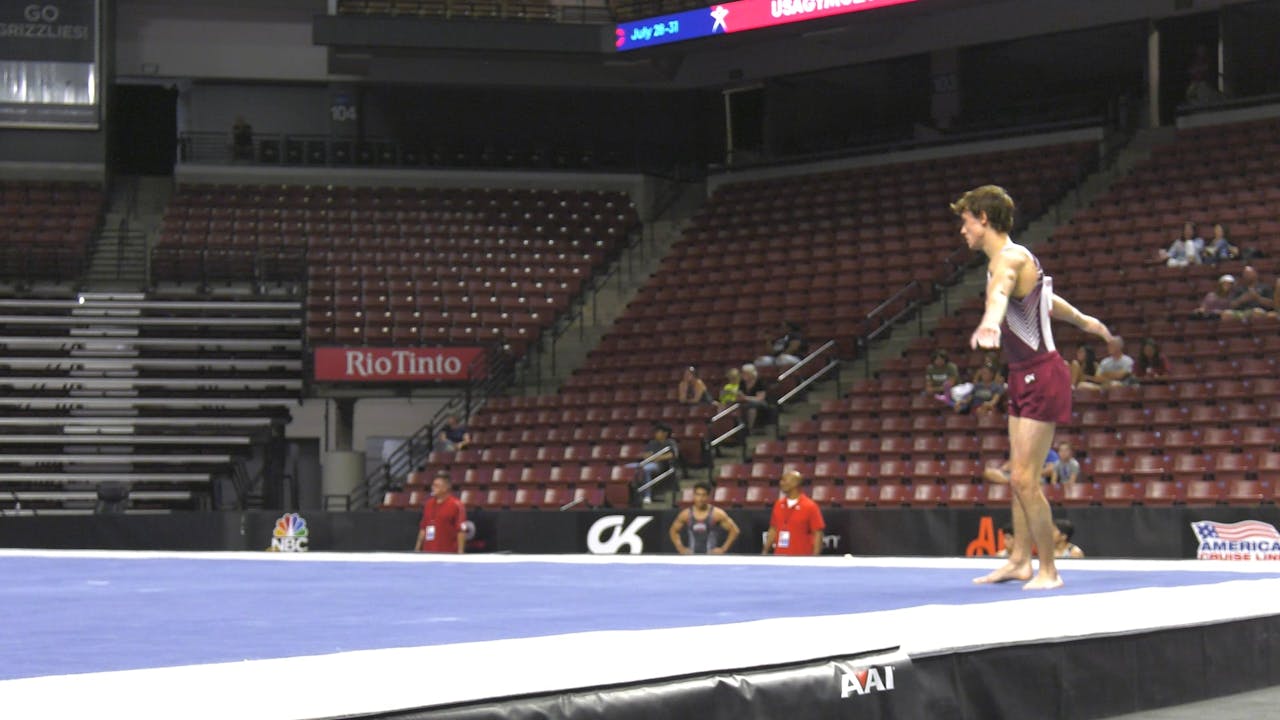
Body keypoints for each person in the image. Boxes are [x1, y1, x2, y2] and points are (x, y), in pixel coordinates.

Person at [954, 184, 1111, 590]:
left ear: (983, 219)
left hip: (1042, 374)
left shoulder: (1010, 258)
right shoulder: (1012, 261)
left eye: (966, 220)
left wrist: (991, 319)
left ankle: (1049, 571)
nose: (963, 230)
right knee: (1018, 473)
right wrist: (1085, 321)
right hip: (1023, 373)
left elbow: (1001, 291)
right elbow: (1047, 301)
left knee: (1025, 478)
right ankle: (1019, 560)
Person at [762, 469, 825, 556]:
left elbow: (818, 533)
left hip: (801, 557)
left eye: (784, 480)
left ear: (795, 483)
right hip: (780, 556)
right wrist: (765, 551)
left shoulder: (810, 506)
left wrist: (815, 558)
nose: (781, 483)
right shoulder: (778, 504)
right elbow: (773, 529)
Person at [668, 481, 741, 554]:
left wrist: (723, 549)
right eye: (698, 495)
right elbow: (673, 531)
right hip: (692, 557)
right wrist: (680, 548)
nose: (700, 498)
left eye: (703, 495)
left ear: (708, 496)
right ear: (694, 495)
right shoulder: (686, 514)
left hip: (711, 558)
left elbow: (734, 531)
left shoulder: (717, 514)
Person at [626, 422, 679, 505]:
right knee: (628, 467)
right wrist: (654, 457)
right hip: (648, 463)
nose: (656, 434)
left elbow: (672, 455)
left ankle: (647, 496)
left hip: (662, 466)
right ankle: (630, 494)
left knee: (645, 469)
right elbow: (646, 455)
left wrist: (656, 457)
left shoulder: (670, 442)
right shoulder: (652, 443)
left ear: (665, 433)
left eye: (658, 432)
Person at [413, 471, 466, 554]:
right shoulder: (428, 504)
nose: (433, 488)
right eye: (433, 485)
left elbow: (461, 531)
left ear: (446, 488)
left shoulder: (456, 505)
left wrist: (460, 552)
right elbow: (423, 528)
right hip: (428, 552)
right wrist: (417, 548)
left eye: (436, 486)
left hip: (447, 553)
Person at [735, 363, 771, 429]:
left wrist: (746, 398)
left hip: (760, 403)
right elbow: (739, 395)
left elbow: (760, 398)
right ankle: (740, 428)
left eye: (745, 373)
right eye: (742, 373)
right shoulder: (742, 382)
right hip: (746, 403)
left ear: (751, 373)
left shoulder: (759, 382)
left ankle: (749, 428)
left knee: (752, 407)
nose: (743, 375)